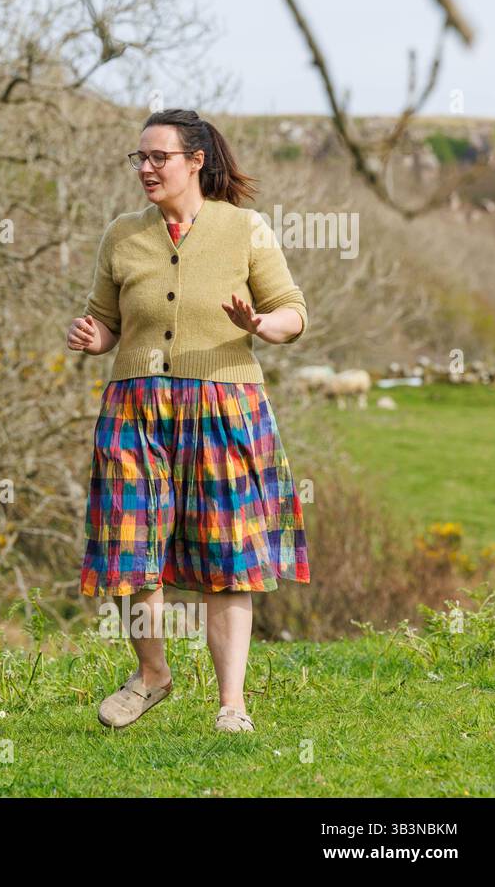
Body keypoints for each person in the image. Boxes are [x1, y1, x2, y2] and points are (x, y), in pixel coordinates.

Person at [68, 108, 310, 734]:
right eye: (139, 159)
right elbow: (107, 321)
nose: (146, 169)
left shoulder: (244, 228)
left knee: (226, 555)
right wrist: (95, 337)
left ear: (195, 161)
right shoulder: (123, 234)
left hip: (224, 404)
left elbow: (292, 313)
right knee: (129, 544)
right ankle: (151, 675)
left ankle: (232, 705)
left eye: (159, 158)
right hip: (135, 405)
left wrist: (260, 324)